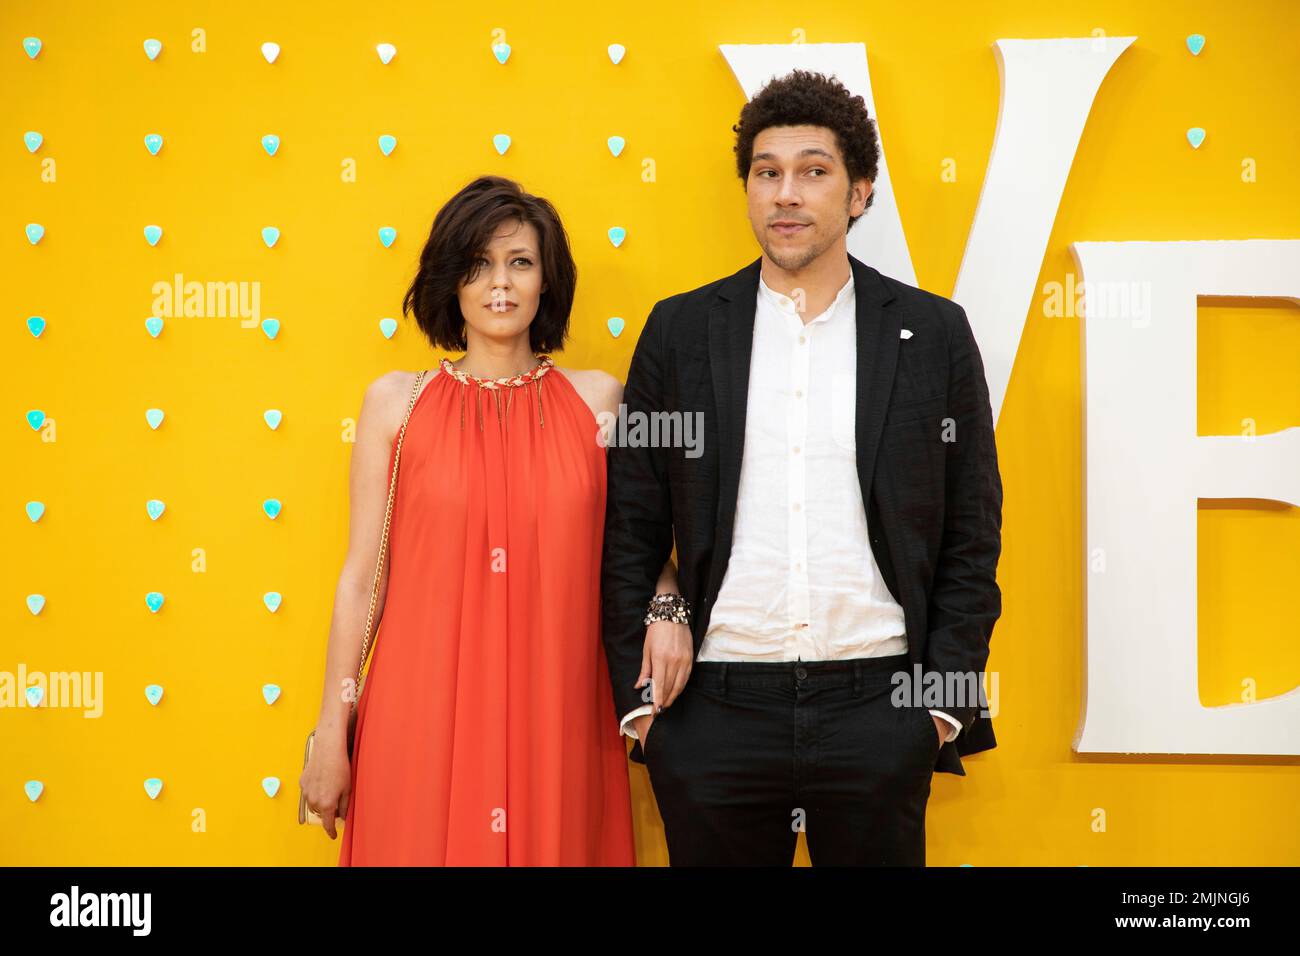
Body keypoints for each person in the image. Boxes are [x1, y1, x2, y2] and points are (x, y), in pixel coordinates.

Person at [601, 70, 1004, 866]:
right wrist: (646, 712)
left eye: (814, 171)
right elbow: (632, 524)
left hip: (881, 706)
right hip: (710, 712)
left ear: (858, 193)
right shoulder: (678, 332)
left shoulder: (935, 334)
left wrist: (938, 714)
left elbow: (972, 533)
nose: (787, 193)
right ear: (748, 189)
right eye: (767, 172)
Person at [300, 174, 645, 865]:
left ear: (548, 282)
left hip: (561, 716)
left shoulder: (600, 403)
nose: (501, 283)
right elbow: (361, 579)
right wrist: (330, 734)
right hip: (419, 715)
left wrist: (668, 599)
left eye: (520, 263)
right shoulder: (395, 404)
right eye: (479, 264)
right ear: (449, 281)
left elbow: (636, 552)